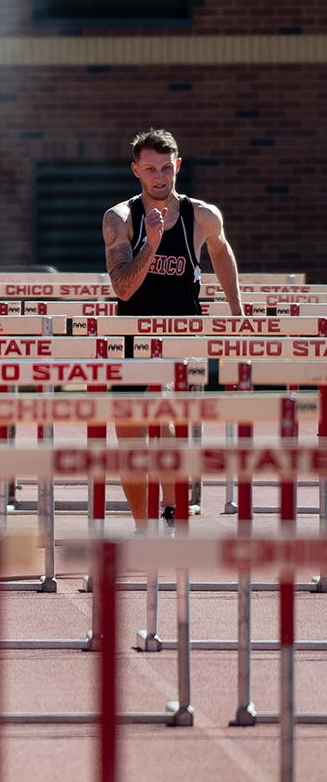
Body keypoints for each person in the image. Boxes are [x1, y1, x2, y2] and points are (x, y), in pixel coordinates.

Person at [103, 128, 242, 526]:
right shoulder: (119, 218)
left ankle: (170, 512)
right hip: (132, 335)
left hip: (181, 335)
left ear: (178, 166)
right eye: (150, 169)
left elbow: (220, 250)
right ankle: (142, 527)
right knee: (130, 434)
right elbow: (123, 289)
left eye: (166, 168)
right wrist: (151, 242)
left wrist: (236, 309)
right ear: (136, 171)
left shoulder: (202, 216)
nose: (160, 177)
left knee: (169, 420)